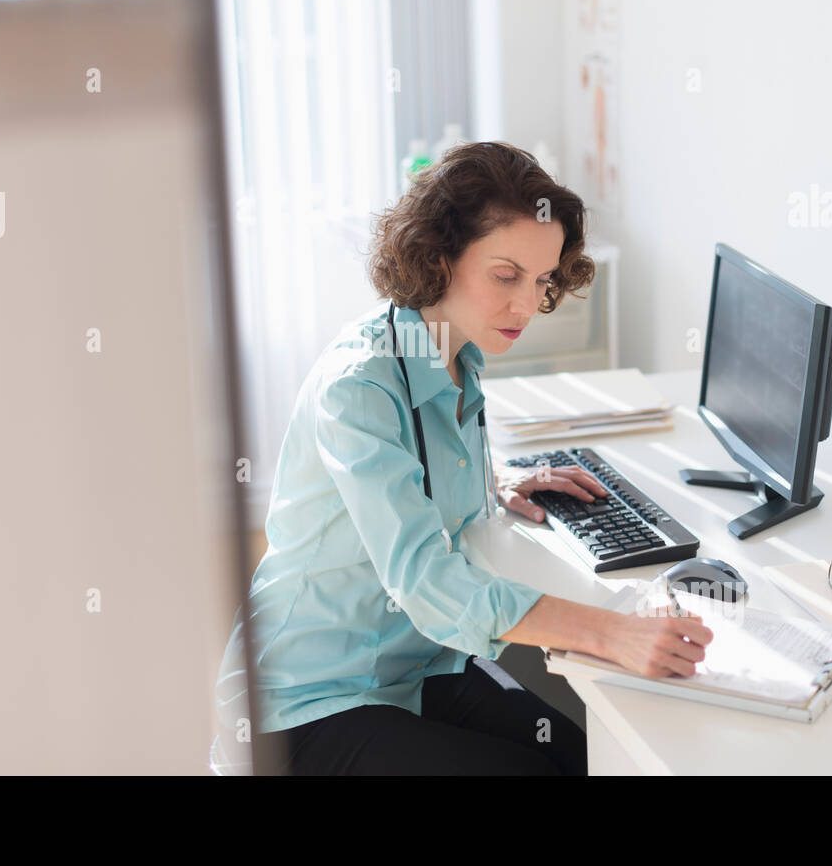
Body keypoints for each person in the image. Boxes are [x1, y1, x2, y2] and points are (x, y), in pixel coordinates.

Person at [215, 141, 712, 775]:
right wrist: (612, 632)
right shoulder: (360, 386)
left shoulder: (457, 354)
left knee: (590, 760)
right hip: (302, 704)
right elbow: (425, 579)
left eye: (541, 281)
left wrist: (492, 482)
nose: (528, 305)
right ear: (438, 256)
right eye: (506, 276)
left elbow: (407, 479)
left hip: (410, 669)